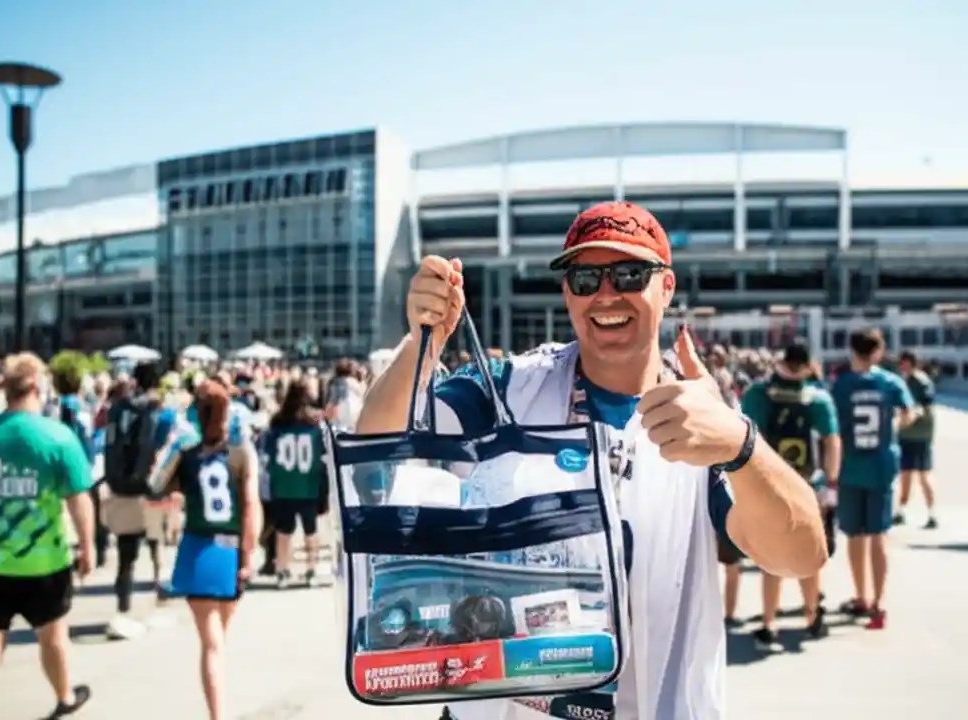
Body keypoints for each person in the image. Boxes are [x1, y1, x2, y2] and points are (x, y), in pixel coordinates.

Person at [355, 201, 827, 719]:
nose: (606, 294)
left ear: (665, 288)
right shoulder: (511, 387)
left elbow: (801, 556)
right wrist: (423, 340)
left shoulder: (701, 417)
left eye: (629, 274)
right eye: (585, 278)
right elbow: (376, 439)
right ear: (567, 292)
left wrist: (741, 445)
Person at [0, 353, 94, 720]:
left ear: (4, 389)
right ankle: (64, 696)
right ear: (39, 386)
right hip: (44, 562)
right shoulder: (58, 436)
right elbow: (79, 500)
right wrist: (88, 546)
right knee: (53, 638)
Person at [148, 380, 260, 720]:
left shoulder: (187, 453)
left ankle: (216, 713)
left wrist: (171, 448)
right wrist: (249, 555)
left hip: (197, 548)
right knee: (219, 640)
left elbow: (154, 489)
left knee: (210, 644)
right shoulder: (241, 452)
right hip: (231, 551)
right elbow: (251, 506)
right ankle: (217, 705)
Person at [740, 342, 841, 650]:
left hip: (767, 486)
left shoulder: (757, 393)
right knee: (809, 554)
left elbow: (743, 436)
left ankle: (769, 622)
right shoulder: (819, 398)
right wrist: (831, 484)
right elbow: (832, 442)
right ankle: (812, 618)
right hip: (808, 486)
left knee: (771, 557)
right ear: (808, 365)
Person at [831, 328, 918, 631]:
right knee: (878, 536)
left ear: (851, 351)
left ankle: (861, 595)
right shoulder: (890, 382)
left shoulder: (841, 385)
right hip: (882, 465)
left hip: (850, 467)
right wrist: (893, 424)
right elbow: (910, 414)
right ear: (878, 352)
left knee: (854, 535)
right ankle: (880, 602)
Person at [101, 363, 172, 640]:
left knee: (125, 555)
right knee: (157, 545)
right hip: (151, 485)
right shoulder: (160, 411)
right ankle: (157, 602)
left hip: (121, 485)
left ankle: (123, 610)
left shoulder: (118, 408)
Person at [261, 378, 330, 588]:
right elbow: (323, 455)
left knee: (283, 532)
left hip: (283, 484)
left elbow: (268, 454)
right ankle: (311, 570)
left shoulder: (278, 422)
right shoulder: (313, 424)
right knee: (311, 530)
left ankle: (282, 571)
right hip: (308, 484)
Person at [895, 350, 938, 529]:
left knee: (923, 474)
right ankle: (901, 510)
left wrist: (909, 416)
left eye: (904, 363)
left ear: (912, 363)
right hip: (906, 434)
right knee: (905, 473)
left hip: (919, 435)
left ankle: (932, 513)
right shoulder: (903, 382)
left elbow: (926, 405)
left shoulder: (921, 381)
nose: (901, 366)